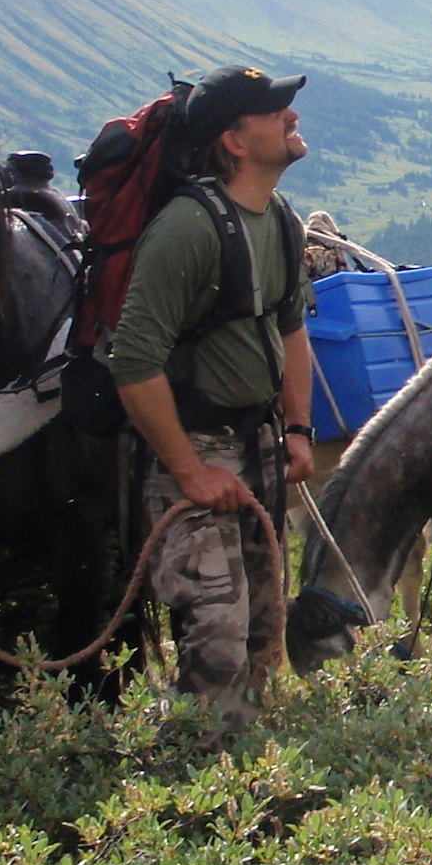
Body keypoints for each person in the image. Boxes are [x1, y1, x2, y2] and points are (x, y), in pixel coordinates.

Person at [106, 66, 317, 731]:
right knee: (219, 637)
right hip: (193, 450)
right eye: (273, 111)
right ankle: (199, 775)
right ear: (234, 140)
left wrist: (299, 429)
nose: (291, 116)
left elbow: (291, 328)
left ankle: (249, 776)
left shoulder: (280, 220)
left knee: (262, 634)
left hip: (258, 445)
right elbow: (133, 360)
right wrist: (190, 470)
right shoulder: (187, 229)